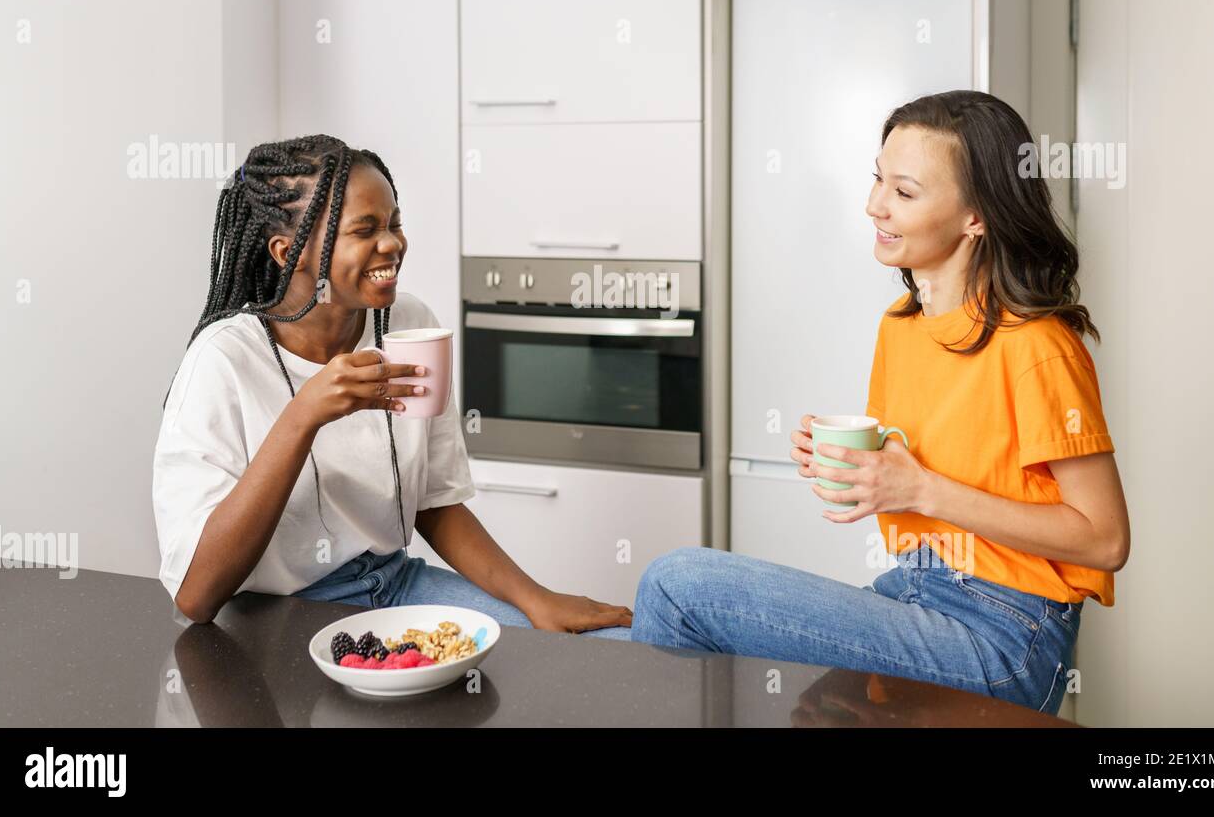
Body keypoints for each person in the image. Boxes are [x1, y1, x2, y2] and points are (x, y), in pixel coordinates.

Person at [631, 91, 1131, 715]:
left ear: (977, 217)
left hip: (1007, 635)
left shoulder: (1037, 347)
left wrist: (920, 490)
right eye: (877, 180)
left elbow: (1106, 540)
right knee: (802, 710)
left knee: (677, 586)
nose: (874, 205)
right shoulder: (903, 324)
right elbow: (939, 465)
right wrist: (861, 470)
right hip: (915, 588)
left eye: (904, 191)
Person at [153, 134, 632, 638]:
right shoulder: (223, 359)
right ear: (287, 251)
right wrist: (303, 416)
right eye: (365, 230)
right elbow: (197, 595)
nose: (392, 244)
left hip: (395, 585)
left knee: (602, 648)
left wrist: (538, 601)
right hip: (277, 614)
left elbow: (436, 503)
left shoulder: (408, 324)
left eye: (394, 224)